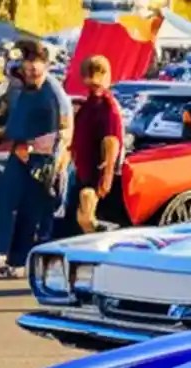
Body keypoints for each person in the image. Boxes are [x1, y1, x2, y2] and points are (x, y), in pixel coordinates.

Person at [0, 40, 72, 278]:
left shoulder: (55, 95)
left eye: (34, 67)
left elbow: (64, 132)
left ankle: (23, 262)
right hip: (17, 156)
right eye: (26, 67)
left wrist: (37, 153)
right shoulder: (22, 87)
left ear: (46, 66)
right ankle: (1, 257)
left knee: (32, 213)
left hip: (40, 161)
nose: (29, 72)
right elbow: (14, 113)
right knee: (4, 203)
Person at [70, 55, 123, 234]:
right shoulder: (89, 104)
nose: (95, 81)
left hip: (96, 172)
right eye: (91, 76)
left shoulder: (107, 106)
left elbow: (112, 141)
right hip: (83, 170)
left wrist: (107, 174)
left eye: (100, 75)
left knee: (86, 218)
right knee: (80, 218)